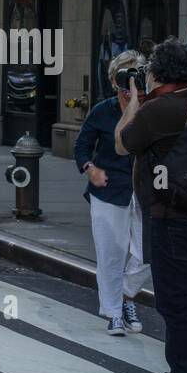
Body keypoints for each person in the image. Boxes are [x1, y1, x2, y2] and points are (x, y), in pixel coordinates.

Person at [116, 39, 187, 373]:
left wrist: (133, 103)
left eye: (150, 69)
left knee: (176, 305)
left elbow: (123, 145)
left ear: (160, 74)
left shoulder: (160, 110)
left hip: (172, 220)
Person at [75, 51, 149, 335]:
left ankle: (126, 296)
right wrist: (89, 167)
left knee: (147, 253)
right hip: (108, 189)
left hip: (144, 189)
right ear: (114, 81)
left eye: (136, 75)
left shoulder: (150, 109)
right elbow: (81, 146)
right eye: (125, 77)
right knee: (111, 254)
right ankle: (114, 312)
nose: (130, 86)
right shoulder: (102, 111)